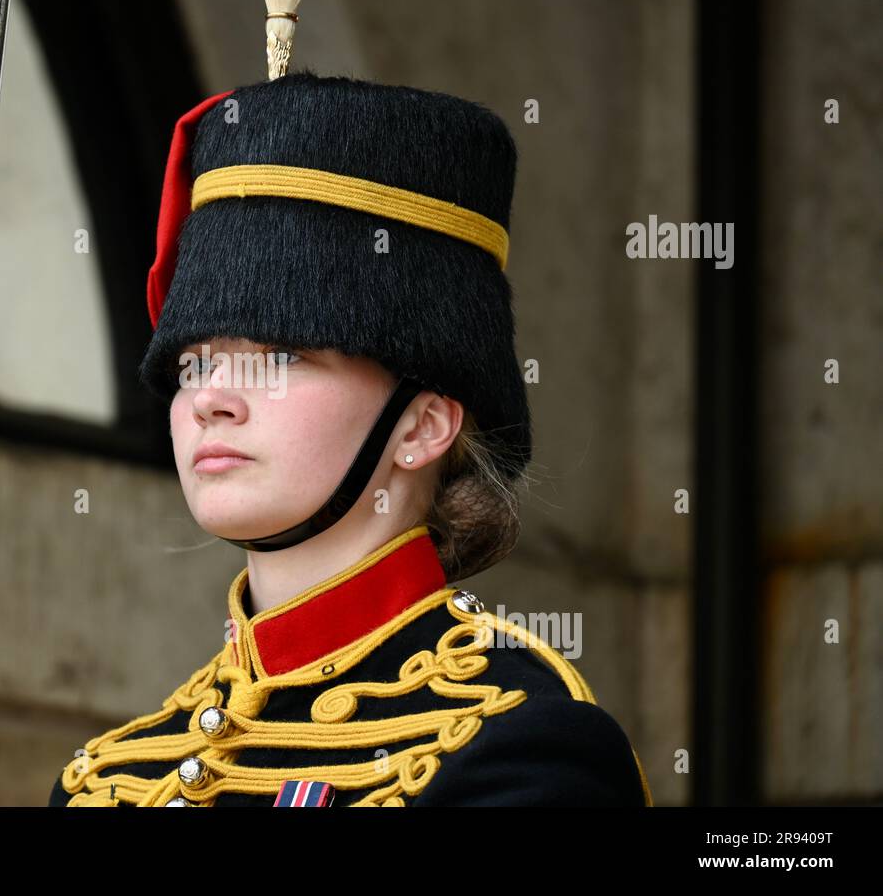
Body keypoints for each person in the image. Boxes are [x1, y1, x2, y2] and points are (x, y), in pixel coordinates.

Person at [48, 70, 652, 807]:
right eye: (194, 361)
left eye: (279, 356)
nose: (208, 399)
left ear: (423, 426)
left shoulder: (520, 747)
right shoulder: (108, 780)